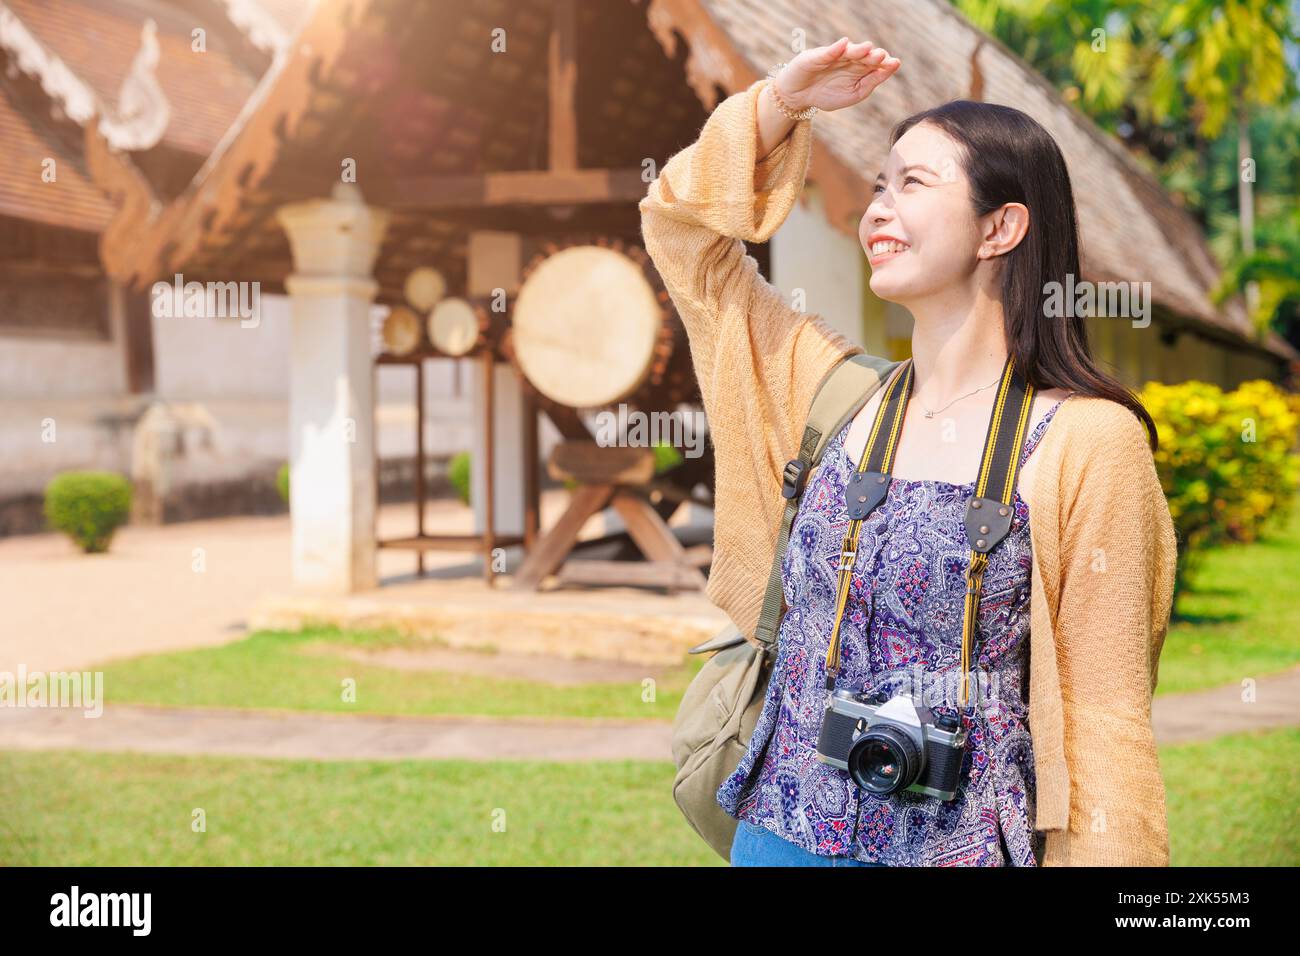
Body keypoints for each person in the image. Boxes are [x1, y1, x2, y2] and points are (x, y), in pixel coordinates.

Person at [639, 37, 1176, 866]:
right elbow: (681, 234)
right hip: (779, 835)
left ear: (1001, 227)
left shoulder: (1087, 441)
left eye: (913, 185)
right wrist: (779, 104)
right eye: (878, 186)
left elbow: (1106, 721)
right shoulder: (831, 395)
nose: (877, 209)